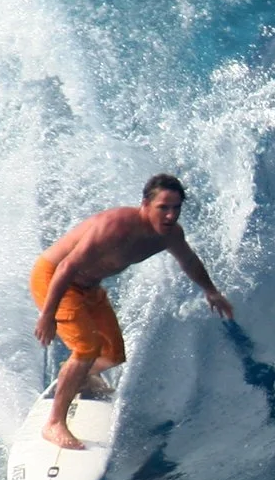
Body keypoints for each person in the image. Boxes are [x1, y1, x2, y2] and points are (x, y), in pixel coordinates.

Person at [30, 173, 233, 450]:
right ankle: (54, 423)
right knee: (87, 349)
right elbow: (66, 267)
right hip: (54, 278)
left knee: (113, 354)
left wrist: (211, 290)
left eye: (176, 208)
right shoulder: (114, 227)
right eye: (163, 207)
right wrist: (48, 314)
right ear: (145, 205)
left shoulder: (169, 235)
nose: (171, 215)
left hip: (89, 287)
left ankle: (80, 377)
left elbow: (188, 260)